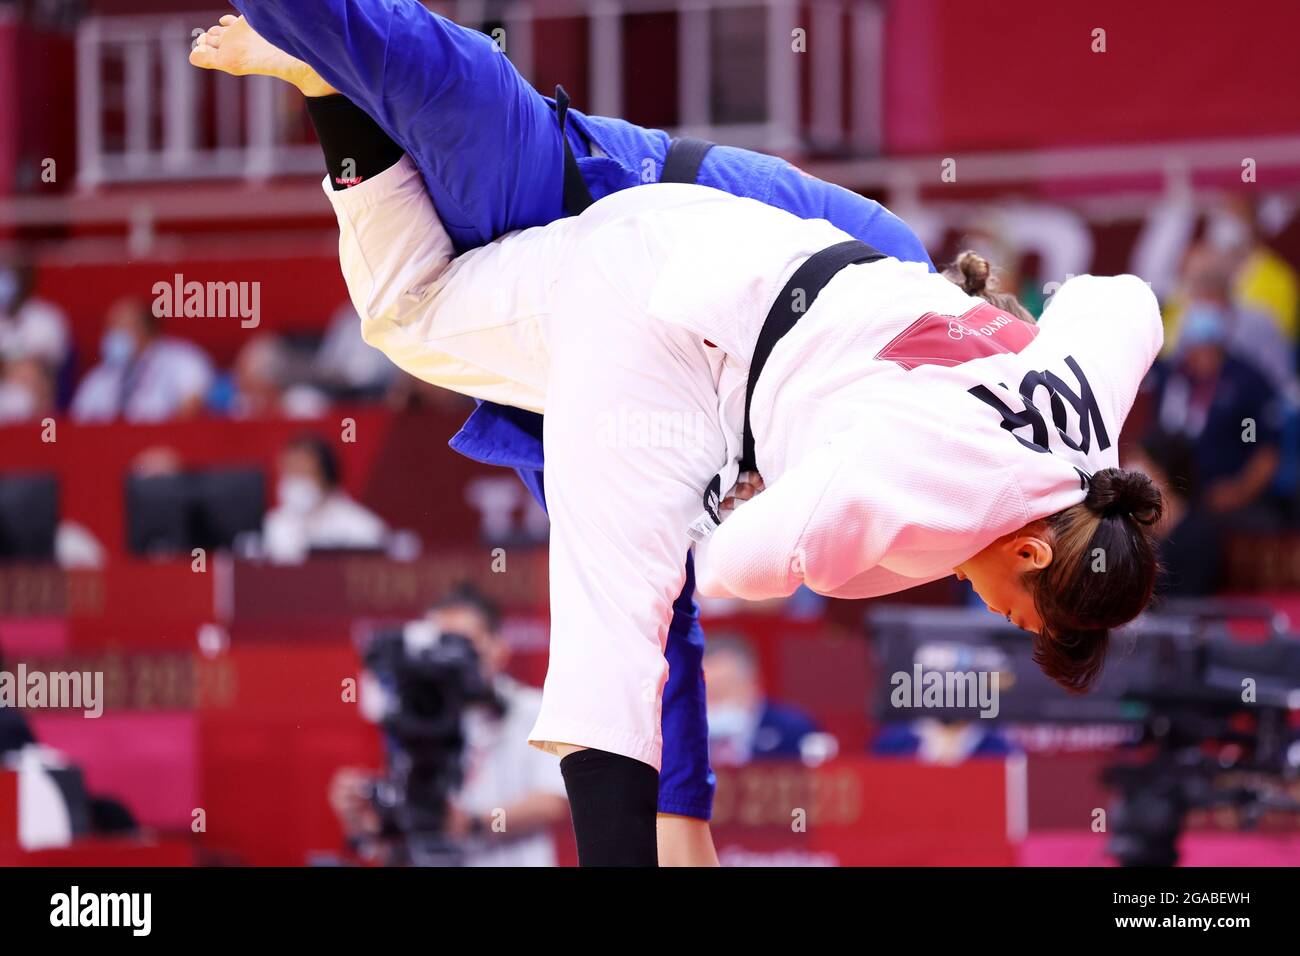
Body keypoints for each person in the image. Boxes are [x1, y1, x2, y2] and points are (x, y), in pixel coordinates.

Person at [193, 10, 1165, 867]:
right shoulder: (949, 492)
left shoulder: (1087, 412)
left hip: (717, 239)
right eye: (1018, 611)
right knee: (614, 629)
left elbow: (1122, 299)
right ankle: (336, 70)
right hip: (667, 340)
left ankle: (328, 80)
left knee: (405, 313)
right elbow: (741, 561)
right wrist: (753, 508)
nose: (990, 606)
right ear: (1035, 547)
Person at [331, 585, 569, 866]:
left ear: (498, 647)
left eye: (462, 645)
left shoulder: (533, 709)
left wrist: (473, 824)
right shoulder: (414, 714)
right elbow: (394, 831)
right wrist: (366, 816)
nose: (447, 659)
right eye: (440, 644)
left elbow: (555, 800)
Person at [69, 297, 214, 424]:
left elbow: (189, 412)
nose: (112, 335)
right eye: (109, 328)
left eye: (121, 326)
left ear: (146, 328)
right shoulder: (100, 376)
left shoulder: (184, 359)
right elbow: (79, 420)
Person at [262, 434, 389, 563]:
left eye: (303, 471)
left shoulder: (361, 527)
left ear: (326, 475)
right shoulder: (275, 524)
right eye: (289, 470)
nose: (295, 480)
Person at [703, 636, 821, 766]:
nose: (713, 700)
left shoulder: (793, 731)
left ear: (752, 685)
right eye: (704, 690)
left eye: (723, 688)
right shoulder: (680, 737)